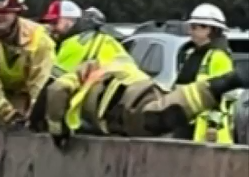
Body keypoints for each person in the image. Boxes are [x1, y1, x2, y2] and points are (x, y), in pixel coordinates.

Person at [43, 57, 247, 146]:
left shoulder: (72, 77)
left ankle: (222, 83)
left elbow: (56, 90)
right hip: (139, 92)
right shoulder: (96, 65)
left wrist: (57, 129)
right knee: (168, 119)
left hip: (124, 109)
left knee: (161, 115)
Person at [174, 3, 237, 144]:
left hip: (210, 135)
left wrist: (213, 126)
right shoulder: (193, 54)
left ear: (210, 29)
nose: (191, 31)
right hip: (189, 127)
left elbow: (223, 95)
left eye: (195, 27)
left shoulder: (219, 57)